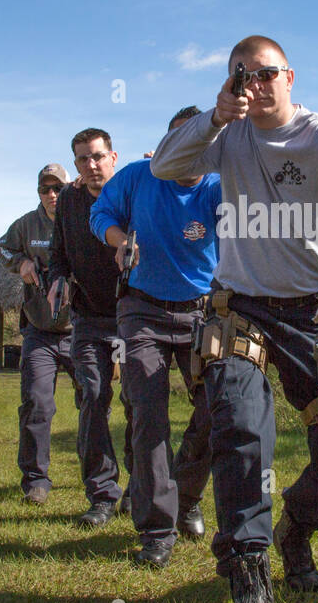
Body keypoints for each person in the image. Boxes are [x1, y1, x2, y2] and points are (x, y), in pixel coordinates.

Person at [151, 37, 318, 603]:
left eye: (266, 73)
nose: (256, 84)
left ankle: (296, 529)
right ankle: (249, 586)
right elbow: (166, 164)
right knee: (241, 431)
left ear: (289, 76)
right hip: (240, 308)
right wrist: (214, 114)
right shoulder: (227, 136)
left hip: (314, 314)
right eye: (243, 76)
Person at [89, 106, 222, 567]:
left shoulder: (222, 185)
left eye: (194, 145)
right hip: (142, 309)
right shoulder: (137, 176)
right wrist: (118, 238)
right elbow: (100, 210)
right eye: (175, 145)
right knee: (147, 412)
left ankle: (187, 496)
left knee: (214, 410)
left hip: (203, 312)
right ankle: (157, 529)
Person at [46, 129, 134, 527]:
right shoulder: (68, 200)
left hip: (135, 316)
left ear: (113, 157)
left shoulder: (134, 190)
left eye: (98, 156)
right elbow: (58, 253)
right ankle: (101, 495)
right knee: (93, 398)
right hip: (88, 318)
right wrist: (58, 279)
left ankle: (142, 488)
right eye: (82, 159)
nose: (91, 165)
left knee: (140, 402)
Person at [0, 163, 80, 505]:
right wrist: (21, 264)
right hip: (39, 331)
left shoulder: (82, 216)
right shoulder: (25, 225)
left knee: (95, 403)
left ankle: (99, 479)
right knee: (36, 403)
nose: (51, 195)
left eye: (57, 188)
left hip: (81, 331)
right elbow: (1, 249)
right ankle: (35, 480)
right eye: (45, 189)